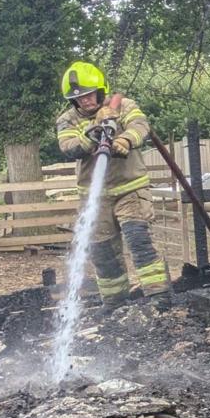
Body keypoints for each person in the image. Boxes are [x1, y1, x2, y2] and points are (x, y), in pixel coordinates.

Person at [55, 61, 170, 309]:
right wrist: (92, 133)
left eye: (89, 94)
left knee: (138, 241)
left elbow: (140, 126)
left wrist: (125, 140)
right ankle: (115, 305)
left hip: (130, 189)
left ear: (101, 90)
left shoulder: (123, 105)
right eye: (79, 98)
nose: (85, 101)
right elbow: (68, 147)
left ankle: (159, 300)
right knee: (103, 253)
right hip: (94, 199)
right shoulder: (67, 120)